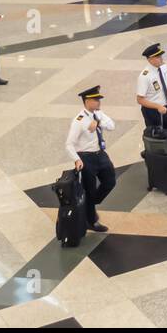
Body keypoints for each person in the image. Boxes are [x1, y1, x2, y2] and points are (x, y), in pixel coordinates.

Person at [65, 86, 116, 235]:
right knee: (89, 188)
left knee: (110, 181)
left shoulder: (99, 114)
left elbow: (112, 126)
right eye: (96, 99)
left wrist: (99, 123)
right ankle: (91, 220)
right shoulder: (79, 120)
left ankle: (90, 204)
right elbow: (69, 144)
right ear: (87, 101)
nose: (99, 102)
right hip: (86, 157)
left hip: (101, 154)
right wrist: (76, 159)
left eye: (99, 99)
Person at [136, 42, 167, 132]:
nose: (161, 59)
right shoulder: (145, 76)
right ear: (150, 59)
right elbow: (140, 99)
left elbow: (164, 80)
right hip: (153, 111)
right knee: (159, 138)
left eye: (161, 56)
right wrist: (158, 106)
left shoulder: (162, 67)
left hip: (165, 107)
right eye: (158, 57)